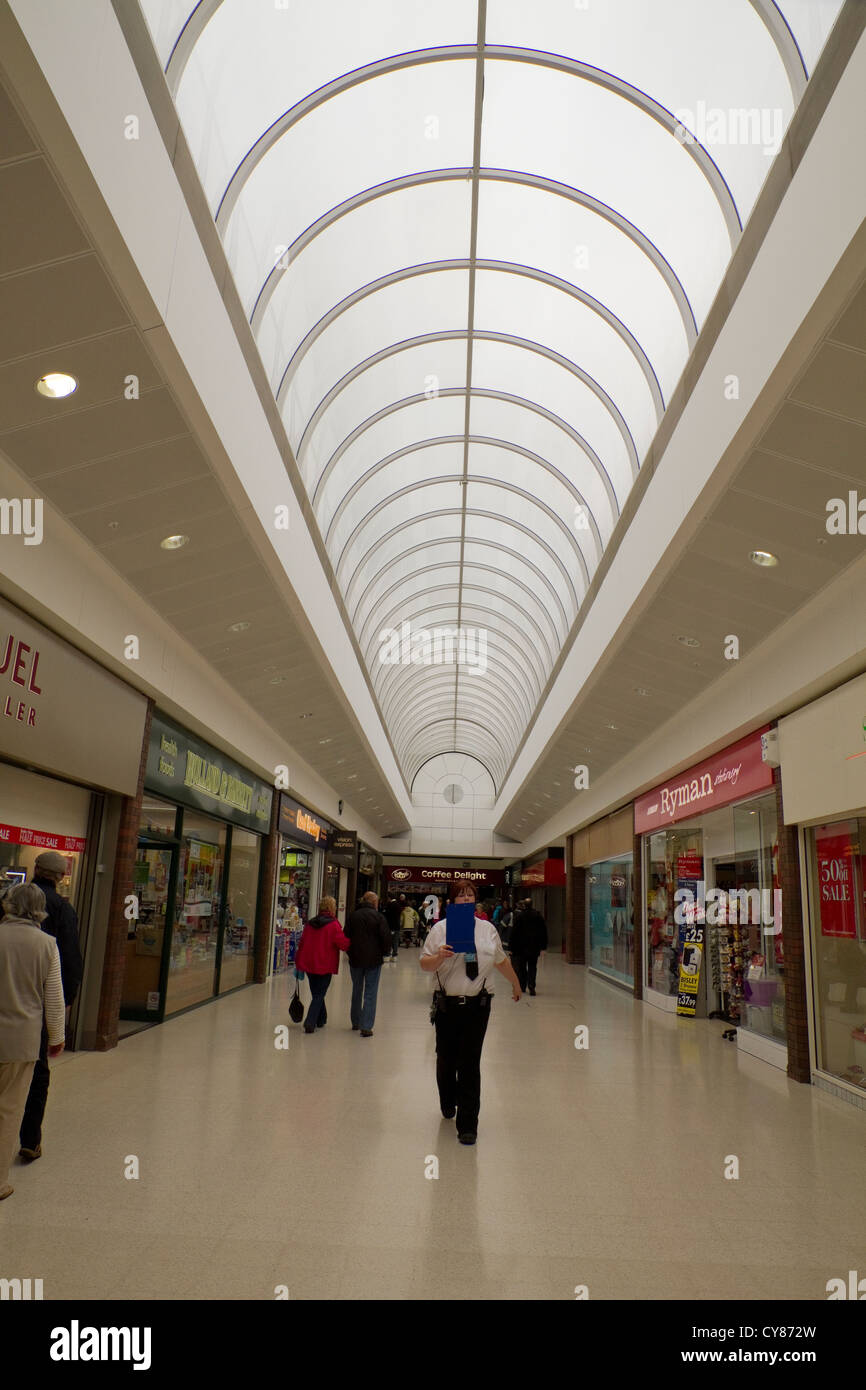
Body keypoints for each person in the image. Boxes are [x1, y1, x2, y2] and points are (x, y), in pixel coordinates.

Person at [420, 879, 521, 1145]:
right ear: (451, 902)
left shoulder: (487, 929)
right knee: (446, 1060)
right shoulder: (440, 929)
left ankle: (468, 1124)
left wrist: (515, 982)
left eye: (470, 895)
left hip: (478, 1006)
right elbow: (424, 964)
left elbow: (500, 959)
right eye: (461, 896)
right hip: (447, 1005)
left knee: (470, 1063)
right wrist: (440, 956)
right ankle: (447, 1099)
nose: (466, 899)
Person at [0, 883, 65, 1199]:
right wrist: (57, 1036)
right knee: (9, 1111)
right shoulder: (46, 944)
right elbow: (53, 998)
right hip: (21, 1041)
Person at [18, 850, 82, 1162]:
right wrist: (64, 1010)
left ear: (35, 869)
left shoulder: (8, 903)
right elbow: (69, 963)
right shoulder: (62, 911)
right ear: (59, 876)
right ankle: (30, 1138)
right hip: (38, 1004)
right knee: (37, 1071)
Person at [294, 897, 349, 1034]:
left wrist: (299, 962)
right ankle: (310, 1022)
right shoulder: (334, 925)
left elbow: (302, 943)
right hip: (325, 964)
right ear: (332, 908)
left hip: (309, 964)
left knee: (317, 992)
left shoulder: (310, 923)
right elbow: (343, 944)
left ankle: (321, 1019)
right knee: (319, 994)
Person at [344, 891, 391, 1036]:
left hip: (356, 959)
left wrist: (350, 952)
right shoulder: (379, 917)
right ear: (374, 903)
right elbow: (385, 937)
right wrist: (385, 952)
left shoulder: (353, 916)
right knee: (371, 992)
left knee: (356, 990)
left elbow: (345, 936)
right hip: (373, 960)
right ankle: (366, 1026)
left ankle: (355, 1021)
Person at [509, 898, 548, 996]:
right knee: (532, 967)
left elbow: (514, 933)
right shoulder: (538, 916)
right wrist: (543, 946)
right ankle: (531, 986)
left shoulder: (520, 916)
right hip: (534, 947)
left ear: (524, 905)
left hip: (521, 947)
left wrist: (511, 947)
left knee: (522, 967)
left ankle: (522, 986)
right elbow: (543, 932)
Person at [384, 895, 402, 963]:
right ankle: (394, 956)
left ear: (389, 898)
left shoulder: (389, 905)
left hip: (390, 926)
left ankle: (387, 955)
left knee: (389, 941)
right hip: (396, 926)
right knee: (395, 941)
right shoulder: (398, 905)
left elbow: (386, 915)